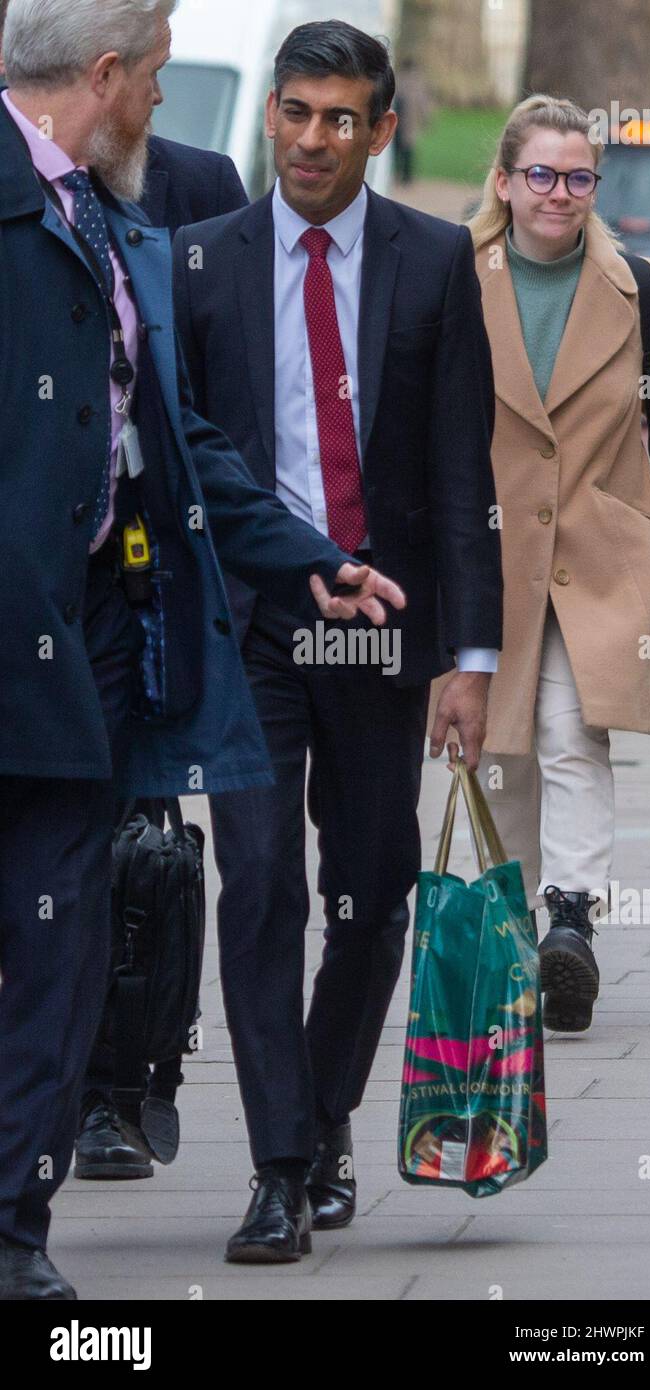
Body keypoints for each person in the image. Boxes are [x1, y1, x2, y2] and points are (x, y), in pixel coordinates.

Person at [0, 0, 403, 1301]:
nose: (165, 108)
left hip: (98, 654)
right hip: (24, 644)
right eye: (158, 78)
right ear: (105, 74)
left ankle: (16, 1224)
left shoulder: (111, 224)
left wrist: (309, 556)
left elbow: (175, 441)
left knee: (60, 948)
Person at [173, 18, 502, 1264]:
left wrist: (470, 663)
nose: (313, 138)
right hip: (253, 628)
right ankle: (276, 1167)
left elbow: (463, 469)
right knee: (257, 887)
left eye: (339, 117)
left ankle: (324, 1117)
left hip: (383, 629)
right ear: (269, 115)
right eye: (295, 112)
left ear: (381, 127)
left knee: (371, 894)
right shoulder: (199, 262)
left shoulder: (430, 264)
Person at [432, 94, 650, 1034]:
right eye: (540, 174)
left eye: (579, 177)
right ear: (504, 180)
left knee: (571, 728)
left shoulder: (642, 287)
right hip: (486, 552)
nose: (560, 193)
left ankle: (571, 921)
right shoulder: (449, 276)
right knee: (502, 749)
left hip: (595, 554)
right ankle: (512, 923)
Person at [75, 99, 252, 1190]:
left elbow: (222, 398)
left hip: (141, 587)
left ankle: (125, 1081)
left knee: (140, 846)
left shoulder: (194, 184)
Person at [393, 56, 430, 184]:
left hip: (397, 121)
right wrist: (426, 119)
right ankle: (406, 176)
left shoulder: (397, 79)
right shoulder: (416, 82)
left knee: (398, 149)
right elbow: (423, 103)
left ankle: (398, 174)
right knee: (408, 149)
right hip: (408, 121)